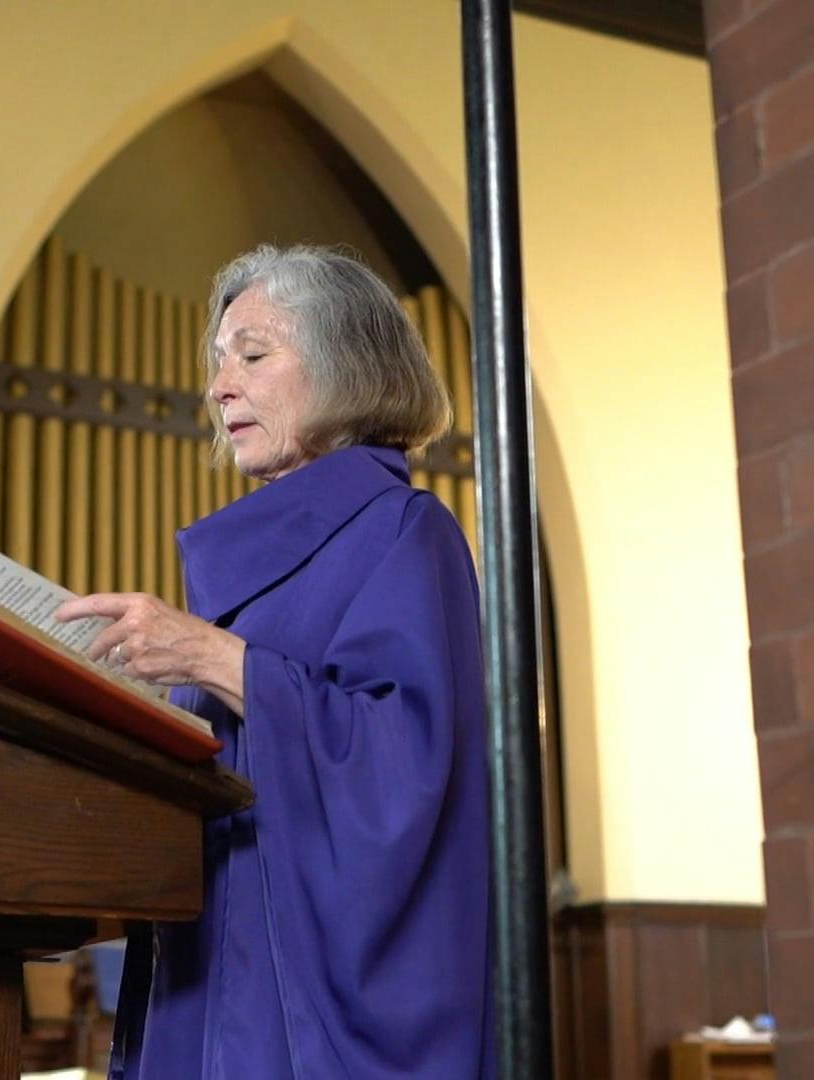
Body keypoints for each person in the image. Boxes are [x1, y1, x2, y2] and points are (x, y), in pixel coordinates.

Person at [53, 244, 496, 1079]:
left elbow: (409, 765)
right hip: (211, 964)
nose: (221, 387)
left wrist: (222, 661)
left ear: (346, 367)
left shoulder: (406, 531)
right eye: (219, 363)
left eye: (253, 355)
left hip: (307, 1000)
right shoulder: (255, 571)